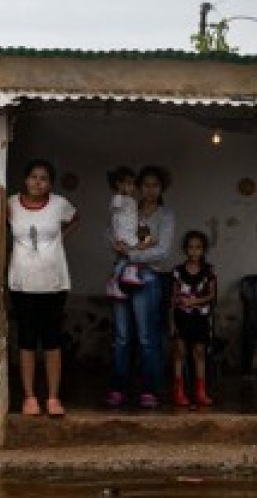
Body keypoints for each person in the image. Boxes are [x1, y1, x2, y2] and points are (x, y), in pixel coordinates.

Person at [7, 158, 79, 418]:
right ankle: (29, 398)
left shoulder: (59, 204)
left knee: (52, 342)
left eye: (44, 178)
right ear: (25, 180)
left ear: (50, 183)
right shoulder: (12, 204)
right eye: (34, 177)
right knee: (26, 341)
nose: (38, 182)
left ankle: (53, 397)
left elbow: (75, 219)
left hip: (54, 283)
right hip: (22, 283)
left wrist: (60, 239)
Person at [107, 165, 176, 410]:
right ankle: (118, 389)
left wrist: (132, 254)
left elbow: (163, 251)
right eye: (145, 185)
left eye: (155, 185)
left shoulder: (165, 215)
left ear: (162, 188)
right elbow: (113, 233)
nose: (149, 190)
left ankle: (149, 389)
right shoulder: (129, 208)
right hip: (122, 274)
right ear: (138, 187)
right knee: (122, 337)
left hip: (149, 277)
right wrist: (116, 244)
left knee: (147, 337)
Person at [170, 230, 217, 409]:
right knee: (179, 353)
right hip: (181, 317)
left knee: (199, 353)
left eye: (198, 248)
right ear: (185, 250)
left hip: (200, 318)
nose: (194, 252)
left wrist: (195, 301)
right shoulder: (177, 271)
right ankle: (179, 391)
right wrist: (171, 321)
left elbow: (211, 295)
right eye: (190, 248)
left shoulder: (208, 271)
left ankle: (200, 391)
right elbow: (173, 298)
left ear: (203, 250)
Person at [105, 166, 152, 299]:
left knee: (125, 259)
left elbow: (136, 218)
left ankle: (117, 281)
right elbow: (115, 213)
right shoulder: (117, 198)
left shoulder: (131, 200)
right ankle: (123, 277)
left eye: (133, 184)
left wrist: (143, 231)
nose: (132, 187)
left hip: (130, 233)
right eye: (129, 184)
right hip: (123, 235)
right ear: (119, 185)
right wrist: (120, 191)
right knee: (134, 253)